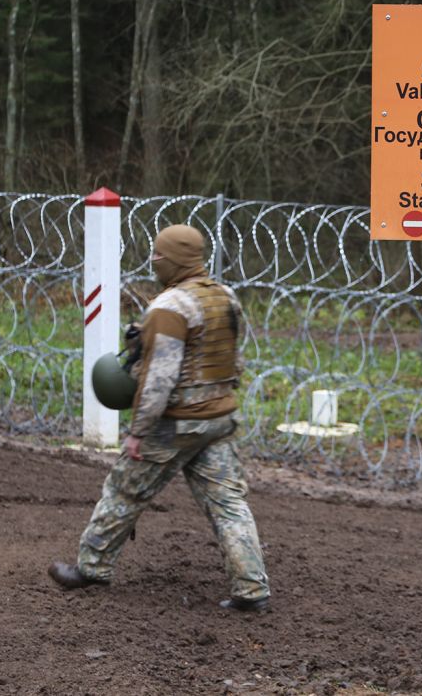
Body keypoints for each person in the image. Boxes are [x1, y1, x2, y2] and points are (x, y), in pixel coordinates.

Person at [47, 224, 271, 612]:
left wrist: (138, 431)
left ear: (175, 259)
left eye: (158, 255)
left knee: (124, 491)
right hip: (219, 418)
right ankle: (252, 590)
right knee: (228, 504)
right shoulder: (225, 296)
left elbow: (159, 379)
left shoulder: (170, 307)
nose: (153, 261)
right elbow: (234, 359)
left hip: (175, 422)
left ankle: (91, 567)